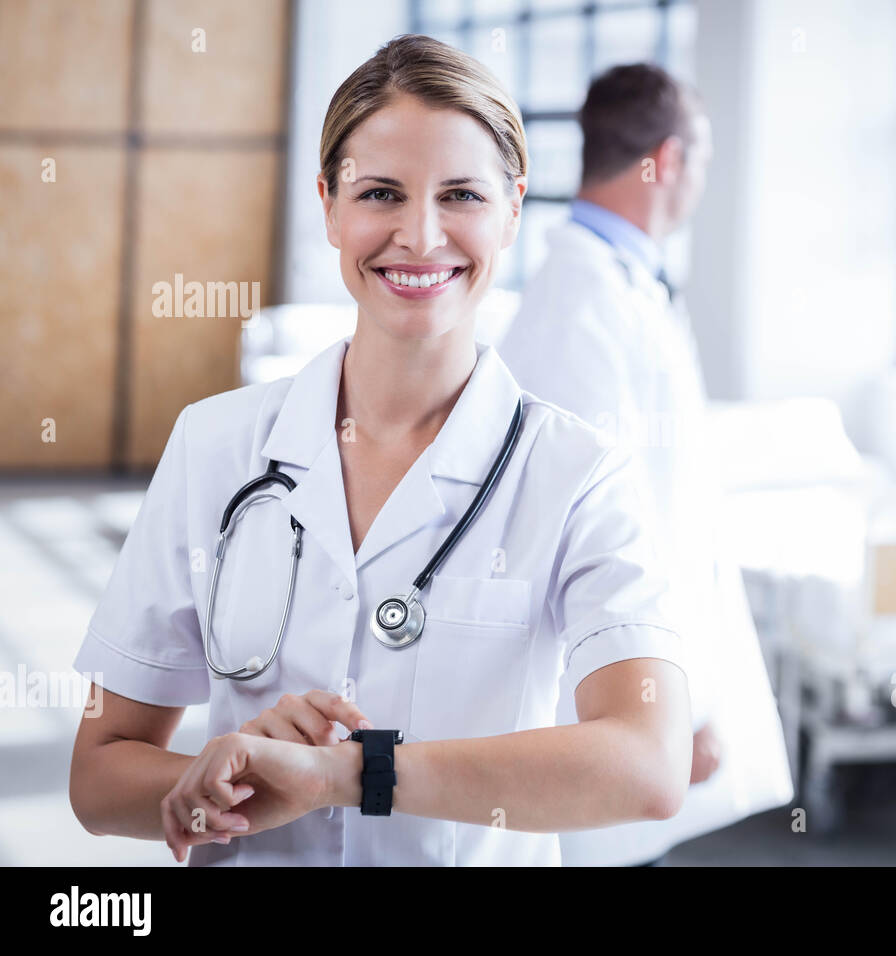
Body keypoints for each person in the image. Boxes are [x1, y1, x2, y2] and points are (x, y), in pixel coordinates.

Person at [67, 34, 694, 866]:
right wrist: (215, 782)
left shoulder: (579, 475)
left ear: (513, 208)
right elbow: (99, 776)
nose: (420, 235)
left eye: (462, 195)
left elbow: (648, 765)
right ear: (329, 205)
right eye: (382, 194)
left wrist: (347, 774)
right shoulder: (214, 445)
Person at [499, 63, 793, 867]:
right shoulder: (581, 310)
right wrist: (670, 705)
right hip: (617, 708)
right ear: (666, 160)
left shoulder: (623, 288)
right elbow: (604, 540)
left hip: (633, 704)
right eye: (701, 159)